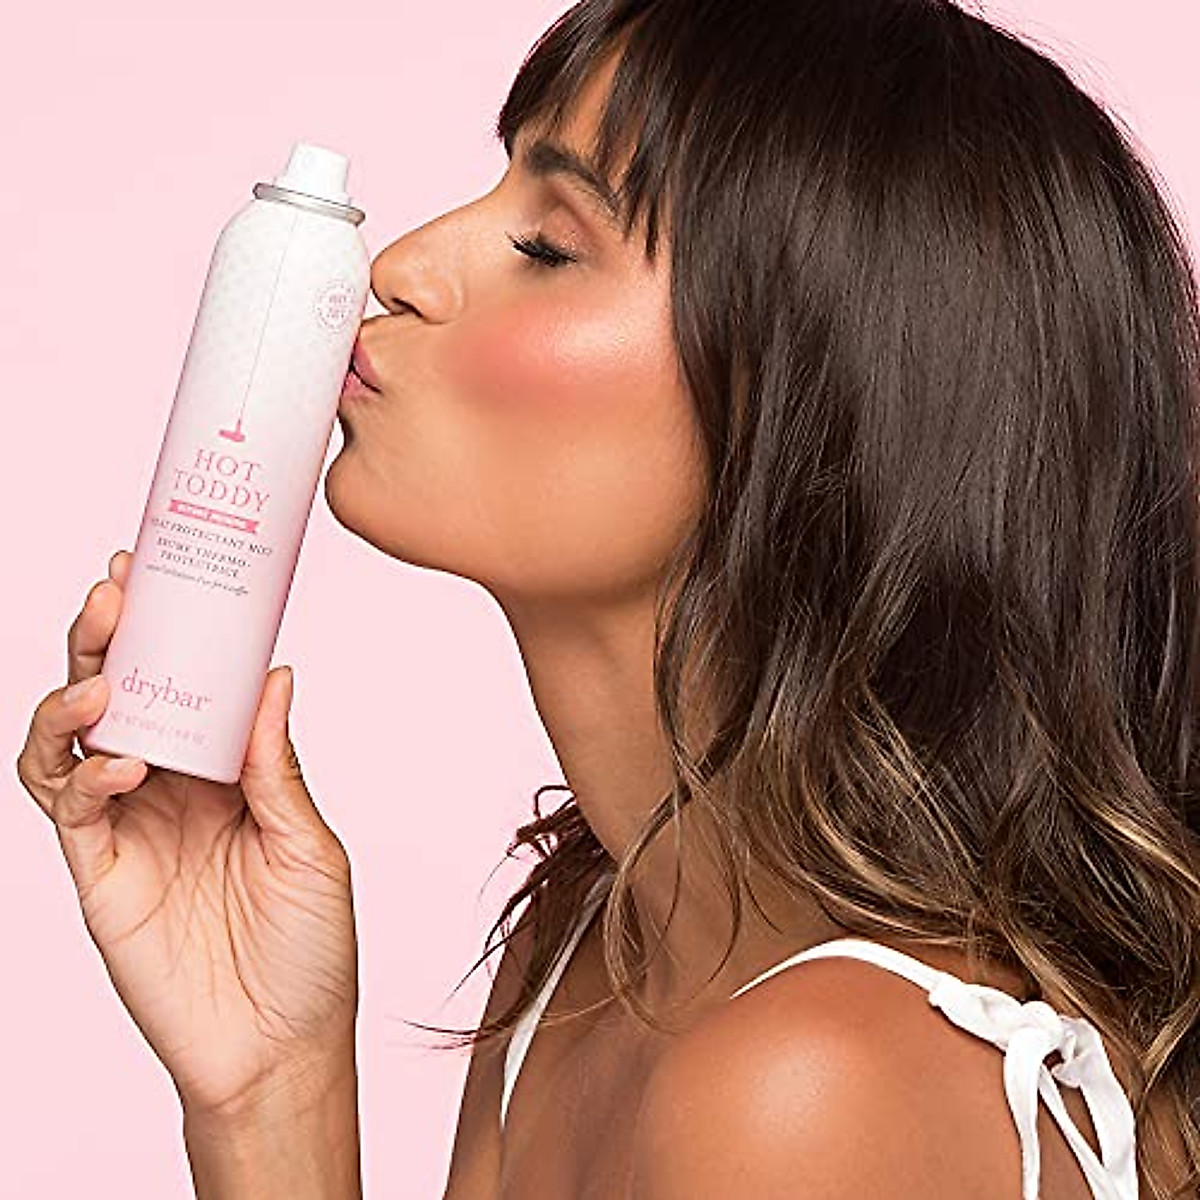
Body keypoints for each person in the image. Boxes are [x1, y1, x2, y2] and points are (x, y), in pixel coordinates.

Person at [17, 0, 1200, 1196]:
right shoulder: (587, 952)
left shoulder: (810, 1089)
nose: (400, 265)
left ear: (812, 412)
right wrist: (271, 1090)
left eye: (548, 246)